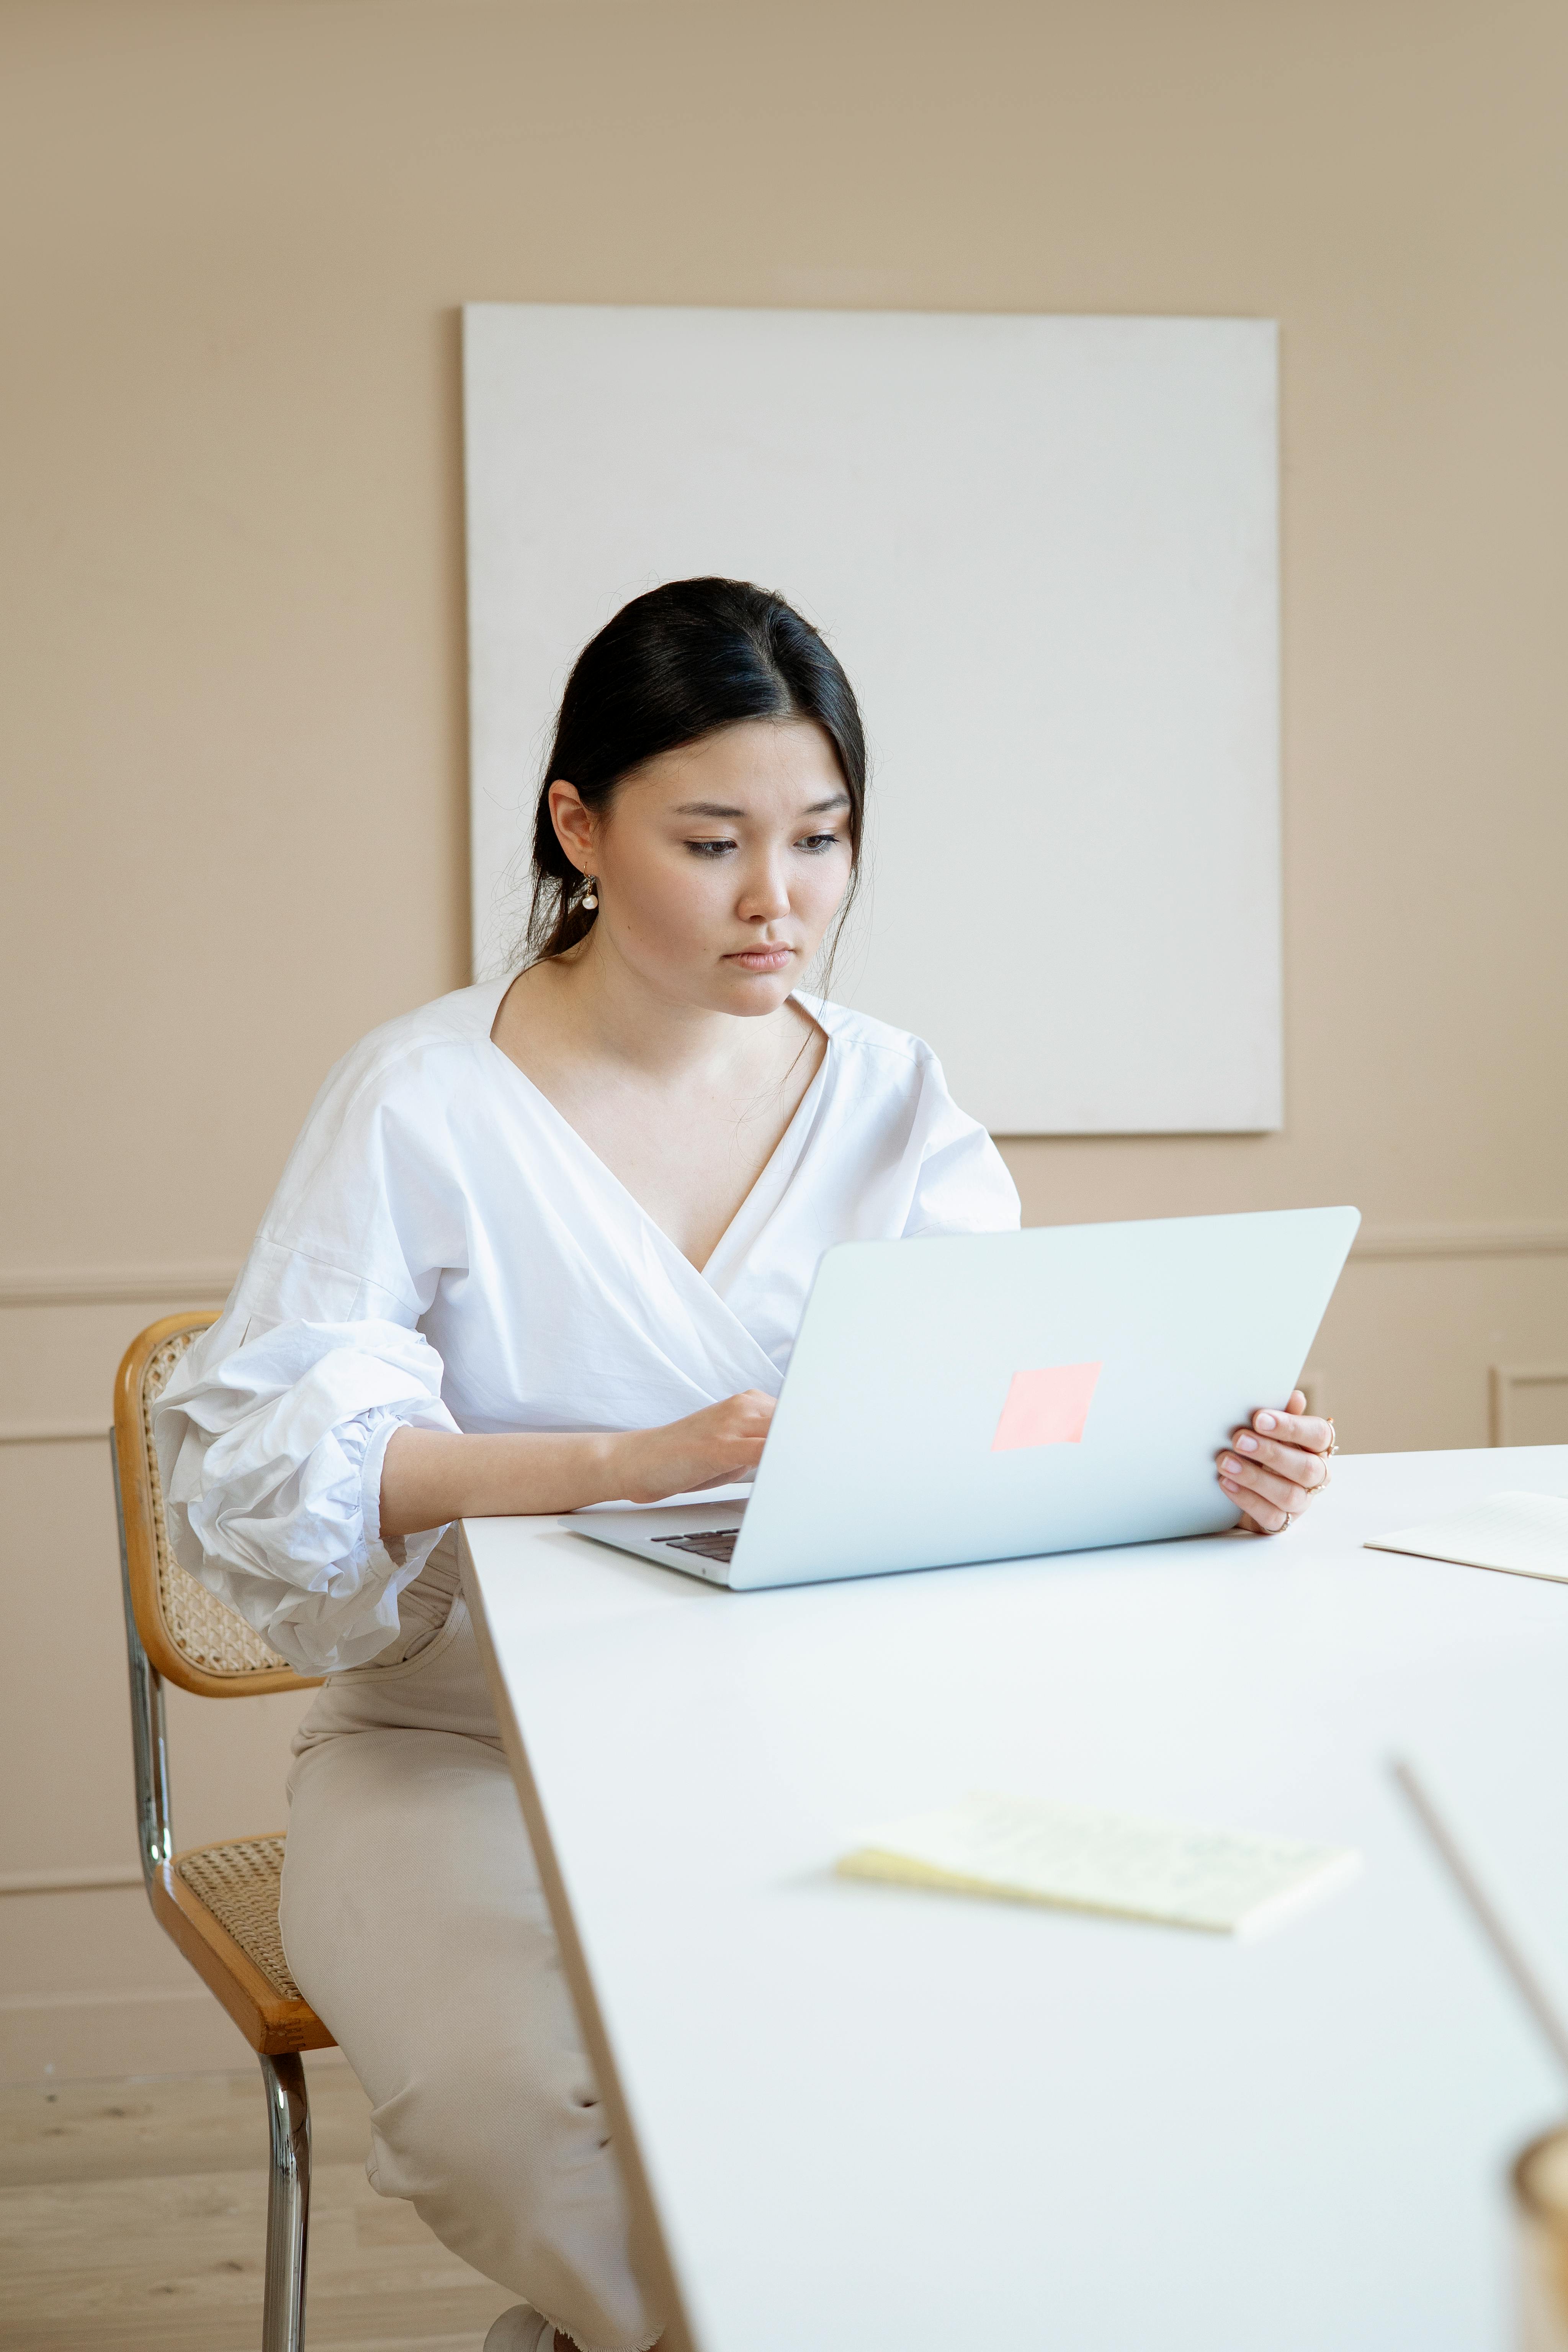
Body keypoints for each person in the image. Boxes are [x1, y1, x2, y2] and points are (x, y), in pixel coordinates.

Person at [154, 577, 1334, 2352]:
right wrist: (615, 1462)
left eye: (820, 837)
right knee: (513, 2120)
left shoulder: (893, 1098)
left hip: (819, 1746)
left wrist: (1206, 1460)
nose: (777, 901)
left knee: (1047, 2075)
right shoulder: (423, 1101)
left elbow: (996, 1437)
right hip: (457, 1752)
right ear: (579, 823)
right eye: (711, 841)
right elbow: (269, 1478)